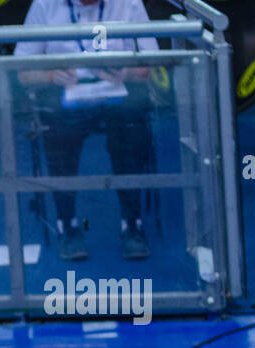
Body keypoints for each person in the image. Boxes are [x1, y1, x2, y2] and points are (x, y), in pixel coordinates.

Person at [15, 0, 158, 261]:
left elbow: (151, 63)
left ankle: (132, 222)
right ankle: (67, 224)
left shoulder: (130, 3)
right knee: (57, 134)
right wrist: (49, 76)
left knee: (131, 130)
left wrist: (126, 70)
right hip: (67, 97)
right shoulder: (44, 5)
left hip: (117, 93)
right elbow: (22, 71)